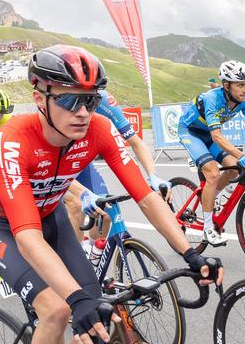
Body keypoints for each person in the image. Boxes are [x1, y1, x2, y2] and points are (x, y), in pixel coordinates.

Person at [0, 45, 221, 344]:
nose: (83, 111)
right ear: (39, 99)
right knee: (60, 308)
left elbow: (146, 196)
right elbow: (27, 236)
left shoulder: (98, 129)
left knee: (100, 312)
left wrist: (189, 252)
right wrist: (75, 297)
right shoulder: (11, 140)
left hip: (48, 217)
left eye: (91, 100)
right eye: (69, 99)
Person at [177, 60, 245, 246]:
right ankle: (208, 228)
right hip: (191, 132)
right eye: (240, 85)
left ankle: (211, 198)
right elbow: (217, 136)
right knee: (212, 173)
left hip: (210, 136)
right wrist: (240, 154)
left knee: (233, 170)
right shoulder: (212, 98)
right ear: (226, 85)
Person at [63, 89, 170, 246]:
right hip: (57, 167)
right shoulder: (61, 99)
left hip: (82, 163)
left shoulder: (104, 100)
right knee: (75, 204)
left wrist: (152, 175)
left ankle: (92, 253)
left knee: (103, 209)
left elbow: (136, 142)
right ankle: (77, 259)